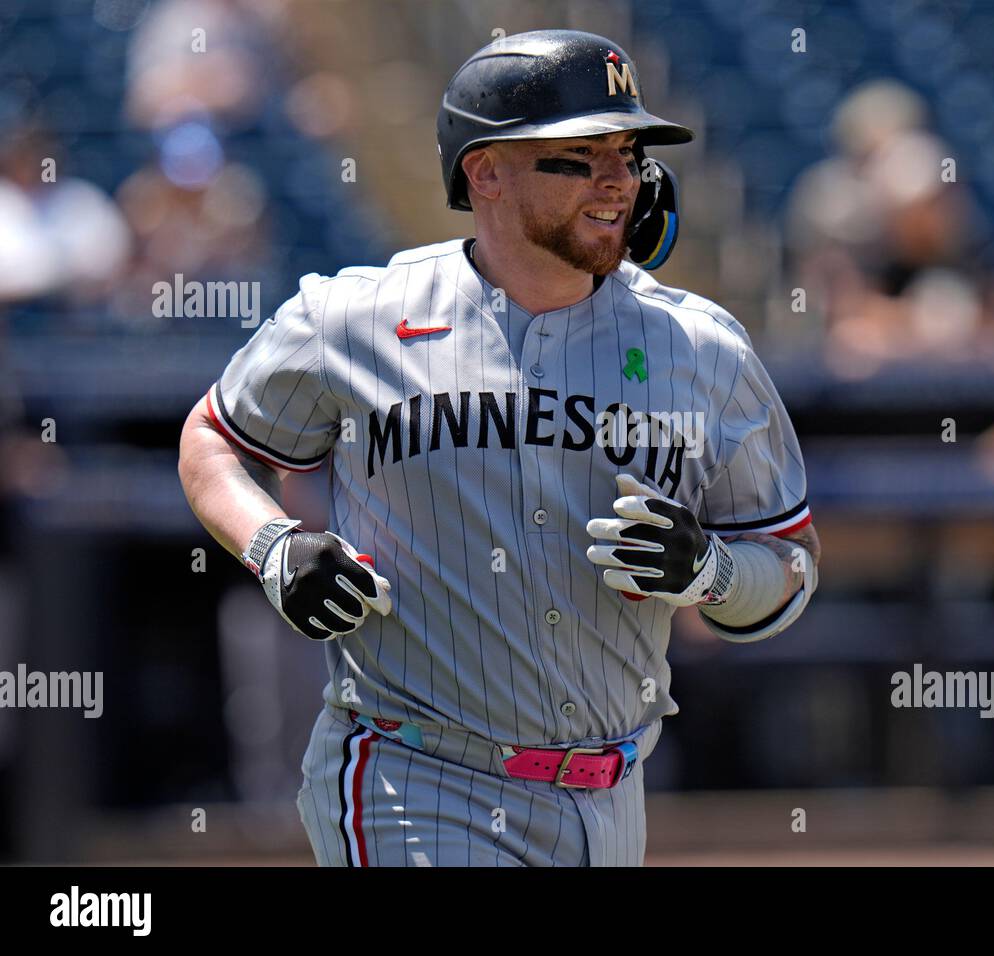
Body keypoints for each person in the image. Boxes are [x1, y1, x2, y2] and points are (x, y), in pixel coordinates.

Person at [177, 29, 820, 867]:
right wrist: (274, 547)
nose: (617, 180)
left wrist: (712, 575)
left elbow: (789, 567)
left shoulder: (703, 349)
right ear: (485, 171)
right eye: (579, 155)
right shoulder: (355, 318)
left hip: (610, 796)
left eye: (627, 154)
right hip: (413, 773)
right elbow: (213, 439)